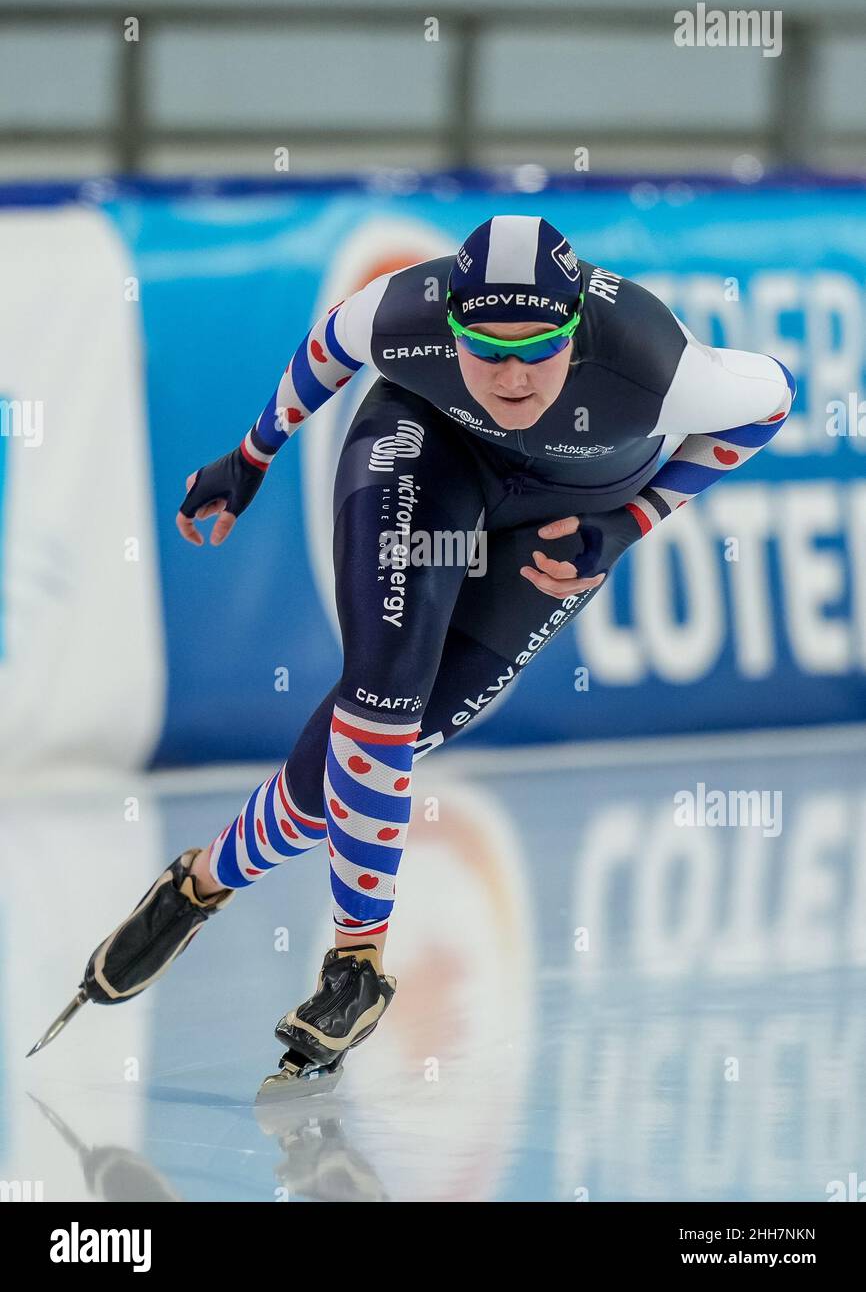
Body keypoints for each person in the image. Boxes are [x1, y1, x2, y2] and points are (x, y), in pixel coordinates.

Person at [32, 215, 795, 1092]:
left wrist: (630, 524)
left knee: (354, 767)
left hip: (558, 528)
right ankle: (356, 964)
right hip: (427, 456)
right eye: (485, 348)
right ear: (451, 324)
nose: (511, 376)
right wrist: (251, 456)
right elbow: (328, 346)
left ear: (577, 326)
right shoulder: (404, 315)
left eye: (537, 349)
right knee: (380, 702)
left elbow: (772, 402)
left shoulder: (658, 367)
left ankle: (200, 882)